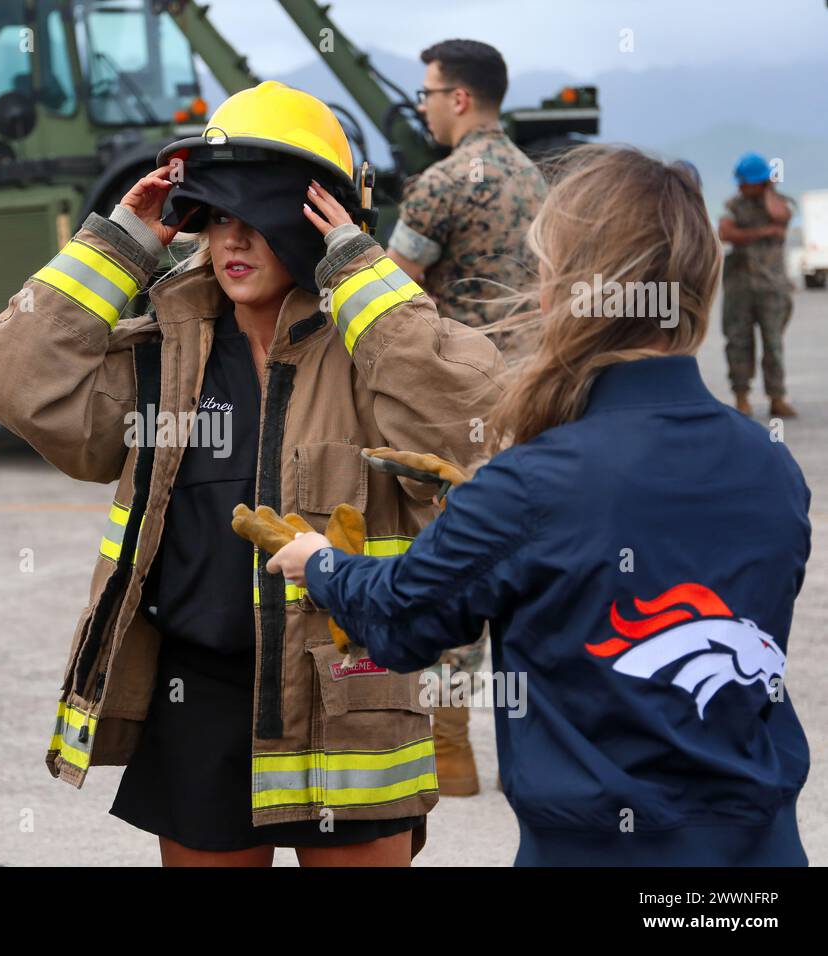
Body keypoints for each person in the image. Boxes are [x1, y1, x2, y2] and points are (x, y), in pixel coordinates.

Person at [0, 82, 505, 866]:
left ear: (318, 224)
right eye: (217, 217)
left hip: (349, 697)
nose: (234, 242)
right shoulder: (163, 357)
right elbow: (10, 379)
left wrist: (362, 273)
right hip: (198, 696)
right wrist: (117, 245)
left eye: (258, 220)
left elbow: (472, 431)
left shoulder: (372, 352)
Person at [268, 146, 811, 866]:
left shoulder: (530, 485)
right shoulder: (771, 465)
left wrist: (323, 564)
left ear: (565, 292)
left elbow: (403, 621)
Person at [385, 38, 549, 794]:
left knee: (451, 558)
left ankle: (447, 746)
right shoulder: (541, 182)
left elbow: (390, 294)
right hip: (536, 399)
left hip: (458, 402)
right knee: (522, 560)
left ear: (458, 99)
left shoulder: (440, 184)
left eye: (427, 93)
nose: (421, 105)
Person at [718, 151, 797, 418]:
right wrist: (761, 232)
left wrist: (769, 189)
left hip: (772, 287)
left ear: (761, 182)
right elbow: (725, 232)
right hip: (739, 287)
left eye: (746, 180)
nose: (740, 185)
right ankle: (742, 397)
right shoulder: (733, 205)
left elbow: (780, 215)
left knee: (773, 345)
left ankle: (777, 397)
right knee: (738, 342)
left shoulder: (780, 203)